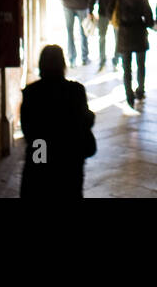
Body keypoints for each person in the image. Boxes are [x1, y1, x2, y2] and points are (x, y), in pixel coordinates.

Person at [19, 45, 96, 198]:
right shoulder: (76, 91)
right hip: (69, 158)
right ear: (63, 65)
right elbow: (86, 120)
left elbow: (27, 129)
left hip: (40, 154)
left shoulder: (31, 92)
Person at [111, 0, 155, 108]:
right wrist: (150, 25)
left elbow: (109, 11)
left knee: (127, 67)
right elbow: (148, 17)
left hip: (124, 34)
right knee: (141, 65)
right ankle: (140, 90)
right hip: (139, 33)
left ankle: (129, 95)